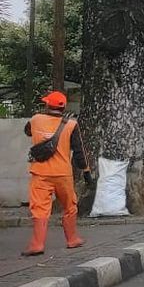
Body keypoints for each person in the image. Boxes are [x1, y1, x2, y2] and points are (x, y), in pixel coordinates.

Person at [21, 91, 91, 257]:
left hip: (40, 174)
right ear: (64, 107)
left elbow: (27, 132)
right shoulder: (71, 125)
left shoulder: (36, 119)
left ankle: (37, 244)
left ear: (47, 105)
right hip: (63, 174)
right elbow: (79, 152)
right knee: (70, 206)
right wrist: (86, 172)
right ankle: (72, 239)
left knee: (39, 209)